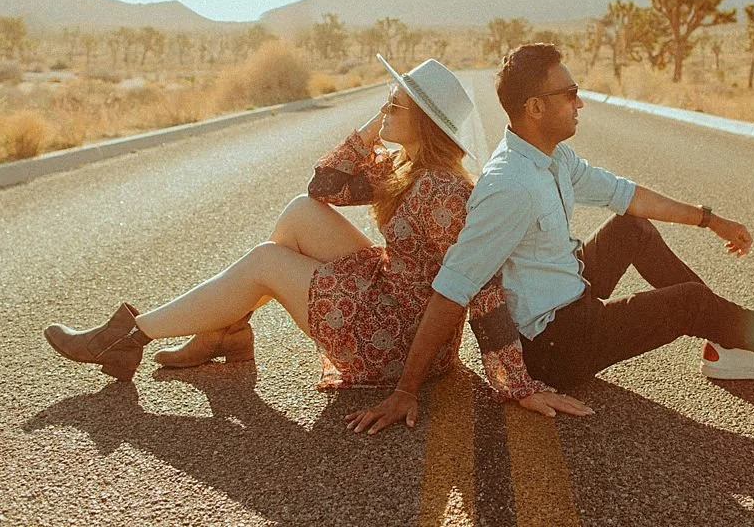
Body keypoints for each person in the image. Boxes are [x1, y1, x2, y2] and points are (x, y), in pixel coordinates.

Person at [347, 43, 754, 434]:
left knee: (632, 229)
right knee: (689, 305)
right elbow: (454, 289)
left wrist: (710, 219)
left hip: (571, 297)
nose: (580, 101)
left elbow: (627, 196)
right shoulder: (509, 186)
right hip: (555, 345)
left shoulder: (549, 157)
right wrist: (405, 391)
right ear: (534, 106)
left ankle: (734, 343)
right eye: (568, 94)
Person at [44, 56, 569, 414]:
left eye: (394, 105)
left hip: (399, 337)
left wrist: (515, 383)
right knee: (299, 212)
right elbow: (323, 187)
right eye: (386, 101)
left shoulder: (442, 190)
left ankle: (127, 339)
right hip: (389, 292)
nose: (384, 110)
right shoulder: (405, 166)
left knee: (266, 262)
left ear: (426, 124)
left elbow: (481, 286)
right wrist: (374, 126)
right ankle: (226, 332)